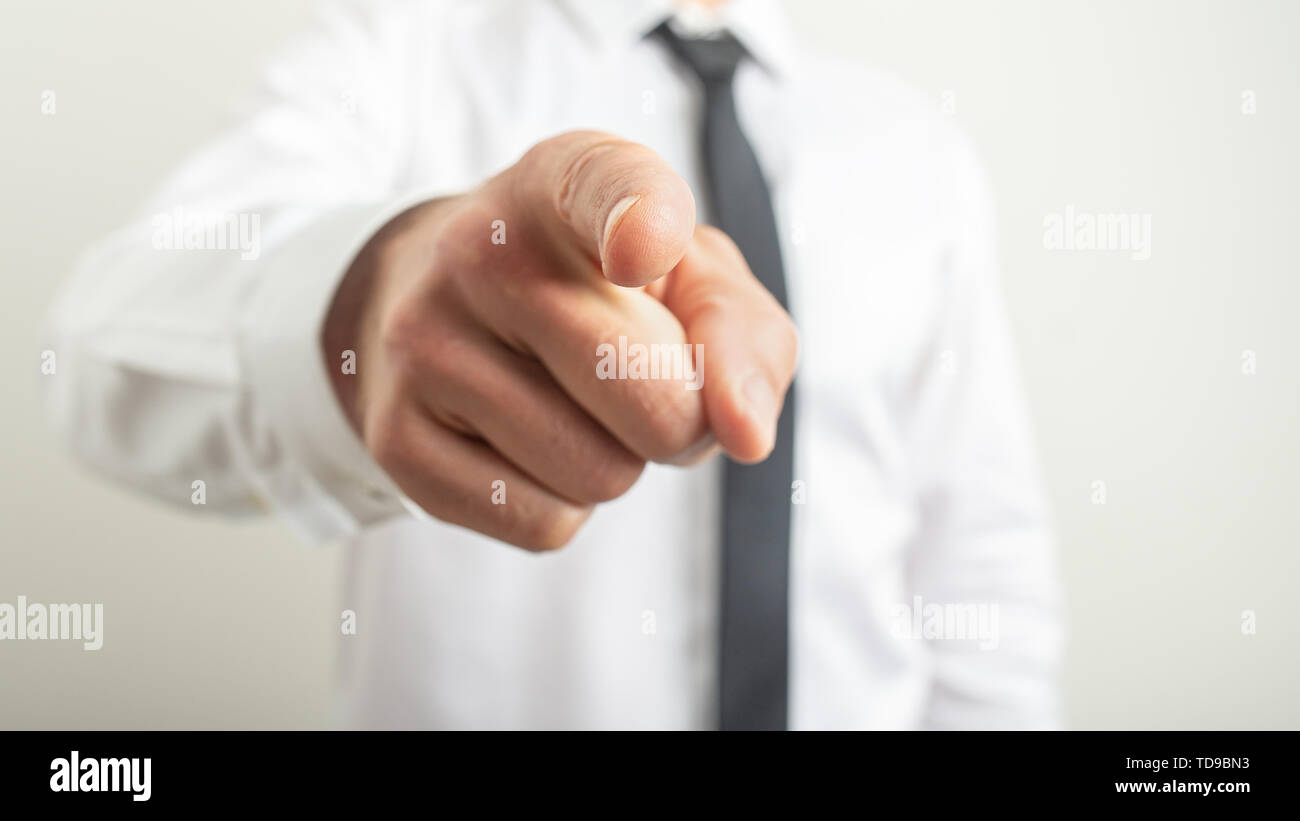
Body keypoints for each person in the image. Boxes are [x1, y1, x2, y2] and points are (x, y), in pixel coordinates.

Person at [44, 0, 1063, 729]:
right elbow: (96, 351)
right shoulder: (410, 50)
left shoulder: (909, 149)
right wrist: (364, 302)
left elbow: (978, 556)